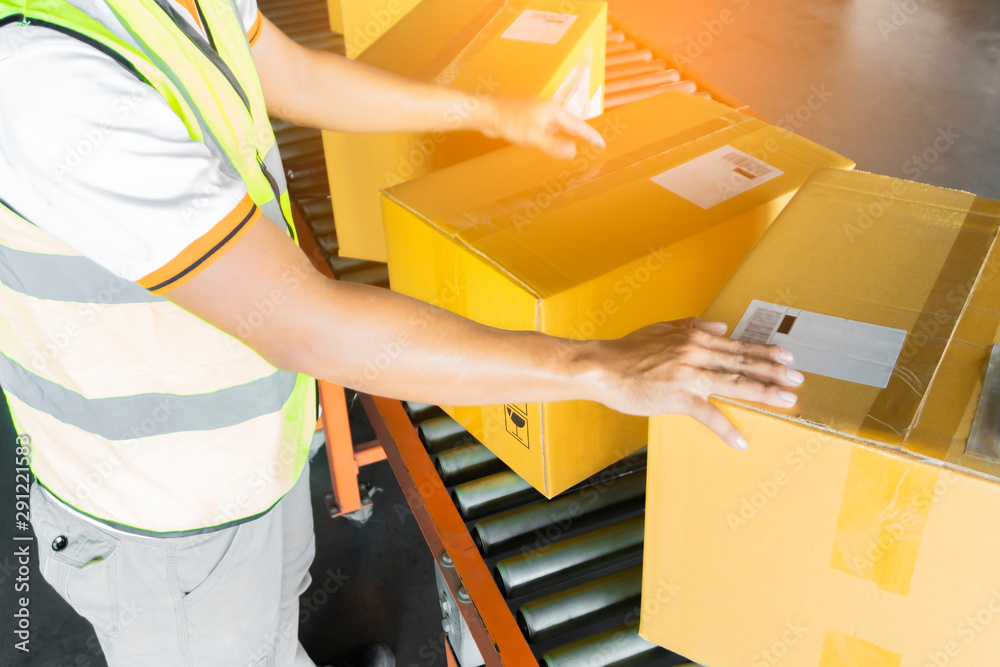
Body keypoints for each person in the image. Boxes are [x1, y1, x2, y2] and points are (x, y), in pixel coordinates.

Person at [0, 0, 803, 665]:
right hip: (165, 509)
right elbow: (302, 323)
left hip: (254, 454)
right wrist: (602, 367)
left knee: (272, 611)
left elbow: (293, 73)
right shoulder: (41, 75)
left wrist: (489, 110)